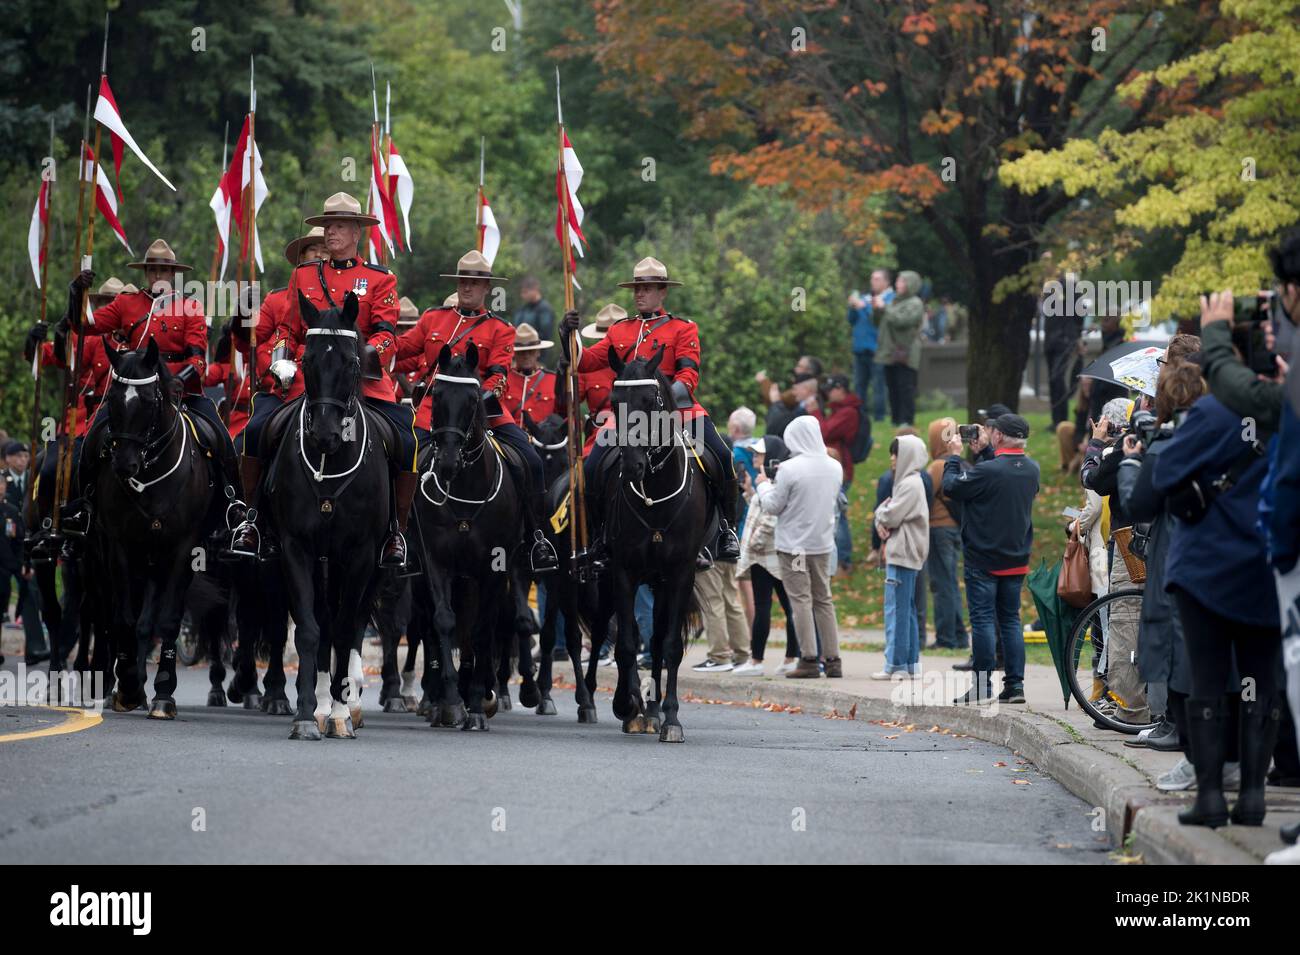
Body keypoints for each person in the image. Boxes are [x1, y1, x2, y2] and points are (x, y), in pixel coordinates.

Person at [1151, 369, 1281, 829]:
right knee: (1260, 684)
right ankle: (1252, 797)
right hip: (1267, 564)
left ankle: (1209, 796)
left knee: (1207, 680)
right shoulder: (1289, 408)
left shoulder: (1214, 409)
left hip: (1205, 568)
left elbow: (1164, 472)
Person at [558, 256, 740, 566]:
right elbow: (584, 363)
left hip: (677, 413)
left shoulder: (683, 328)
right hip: (628, 418)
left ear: (662, 291)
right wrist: (568, 335)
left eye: (647, 288)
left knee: (722, 457)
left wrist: (666, 402)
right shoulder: (619, 331)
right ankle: (601, 538)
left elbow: (688, 374)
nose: (640, 294)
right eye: (637, 288)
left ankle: (725, 530)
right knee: (591, 470)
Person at [66, 239, 243, 539]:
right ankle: (83, 507)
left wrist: (178, 381)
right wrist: (76, 292)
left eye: (164, 269)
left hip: (180, 391)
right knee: (91, 437)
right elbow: (84, 325)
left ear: (173, 273)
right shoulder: (126, 304)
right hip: (136, 392)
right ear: (146, 272)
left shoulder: (190, 306)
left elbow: (198, 357)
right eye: (153, 269)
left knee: (219, 436)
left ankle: (234, 507)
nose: (158, 274)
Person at [396, 250, 557, 573]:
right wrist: (376, 343)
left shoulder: (500, 328)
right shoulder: (432, 319)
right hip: (433, 412)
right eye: (463, 282)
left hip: (484, 412)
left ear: (486, 287)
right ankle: (400, 539)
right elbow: (400, 352)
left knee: (530, 459)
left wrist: (476, 406)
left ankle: (535, 537)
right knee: (399, 456)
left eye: (475, 282)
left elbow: (498, 376)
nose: (467, 287)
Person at [227, 225, 332, 559]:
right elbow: (250, 341)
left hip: (330, 394)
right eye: (313, 251)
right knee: (253, 433)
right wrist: (242, 318)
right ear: (300, 261)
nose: (321, 255)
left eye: (324, 250)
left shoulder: (342, 296)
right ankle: (250, 518)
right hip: (284, 390)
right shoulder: (276, 300)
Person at [1117, 360, 1204, 759]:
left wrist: (1132, 462)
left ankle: (1181, 732)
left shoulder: (1172, 442)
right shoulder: (1215, 433)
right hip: (1209, 555)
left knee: (1175, 638)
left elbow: (1140, 503)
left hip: (1177, 548)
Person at [943, 413, 1039, 704]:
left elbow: (951, 486)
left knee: (983, 620)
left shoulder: (990, 471)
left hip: (983, 557)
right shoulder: (1031, 469)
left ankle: (982, 684)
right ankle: (1015, 685)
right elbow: (998, 474)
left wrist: (954, 456)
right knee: (1010, 620)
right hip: (1016, 556)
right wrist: (985, 451)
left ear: (998, 436)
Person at [752, 416, 843, 679]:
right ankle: (833, 659)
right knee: (823, 600)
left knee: (801, 601)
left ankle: (809, 659)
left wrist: (762, 487)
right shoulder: (834, 467)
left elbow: (773, 506)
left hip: (795, 547)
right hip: (822, 544)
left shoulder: (790, 469)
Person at [1080, 396, 1150, 725]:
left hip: (1132, 541)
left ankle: (1132, 709)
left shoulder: (1134, 440)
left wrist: (1097, 445)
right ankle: (1161, 710)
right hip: (1167, 538)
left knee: (1125, 622)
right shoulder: (1182, 430)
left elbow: (1095, 479)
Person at [733, 436, 799, 676]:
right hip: (768, 557)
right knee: (785, 606)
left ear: (772, 455)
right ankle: (788, 657)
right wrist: (752, 490)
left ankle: (759, 660)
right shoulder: (767, 480)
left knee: (772, 607)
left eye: (759, 455)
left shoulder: (778, 480)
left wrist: (754, 543)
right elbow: (761, 507)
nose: (754, 458)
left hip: (768, 556)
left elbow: (772, 517)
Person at [872, 434, 930, 678]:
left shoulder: (908, 484)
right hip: (908, 551)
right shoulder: (911, 482)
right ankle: (910, 663)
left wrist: (879, 512)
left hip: (903, 551)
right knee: (907, 609)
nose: (892, 459)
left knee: (896, 609)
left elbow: (890, 515)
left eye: (896, 453)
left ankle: (895, 664)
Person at [807, 373, 863, 573]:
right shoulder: (839, 409)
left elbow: (825, 432)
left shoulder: (849, 412)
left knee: (838, 512)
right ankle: (838, 559)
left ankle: (844, 561)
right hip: (833, 465)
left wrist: (815, 413)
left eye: (830, 390)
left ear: (840, 389)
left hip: (840, 467)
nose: (828, 394)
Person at [925, 418, 968, 650]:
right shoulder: (958, 462)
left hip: (938, 529)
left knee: (942, 584)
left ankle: (946, 637)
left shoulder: (937, 466)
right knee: (950, 582)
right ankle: (959, 635)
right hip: (955, 529)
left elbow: (925, 496)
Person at [0, 472, 48, 665]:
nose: (0, 488)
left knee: (30, 591)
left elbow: (19, 540)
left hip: (11, 565)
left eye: (1, 484)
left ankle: (34, 648)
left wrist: (24, 564)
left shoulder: (10, 510)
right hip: (3, 566)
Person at [877, 270, 924, 426]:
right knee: (892, 386)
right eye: (898, 281)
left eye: (902, 281)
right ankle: (895, 419)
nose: (898, 284)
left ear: (910, 284)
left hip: (906, 352)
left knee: (905, 387)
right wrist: (877, 309)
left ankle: (907, 420)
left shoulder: (915, 303)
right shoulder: (894, 302)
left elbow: (902, 321)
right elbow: (880, 323)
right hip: (890, 352)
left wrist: (885, 308)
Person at [847, 268, 893, 419]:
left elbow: (879, 321)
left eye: (877, 279)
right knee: (859, 386)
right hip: (860, 349)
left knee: (879, 386)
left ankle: (879, 417)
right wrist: (853, 307)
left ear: (886, 282)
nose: (873, 281)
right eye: (872, 278)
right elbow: (851, 320)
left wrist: (864, 307)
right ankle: (859, 416)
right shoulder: (864, 298)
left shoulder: (890, 299)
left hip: (877, 349)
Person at [513, 276, 556, 344]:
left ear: (535, 289)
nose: (522, 295)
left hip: (539, 350)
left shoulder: (545, 309)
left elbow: (545, 334)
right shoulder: (522, 309)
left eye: (525, 292)